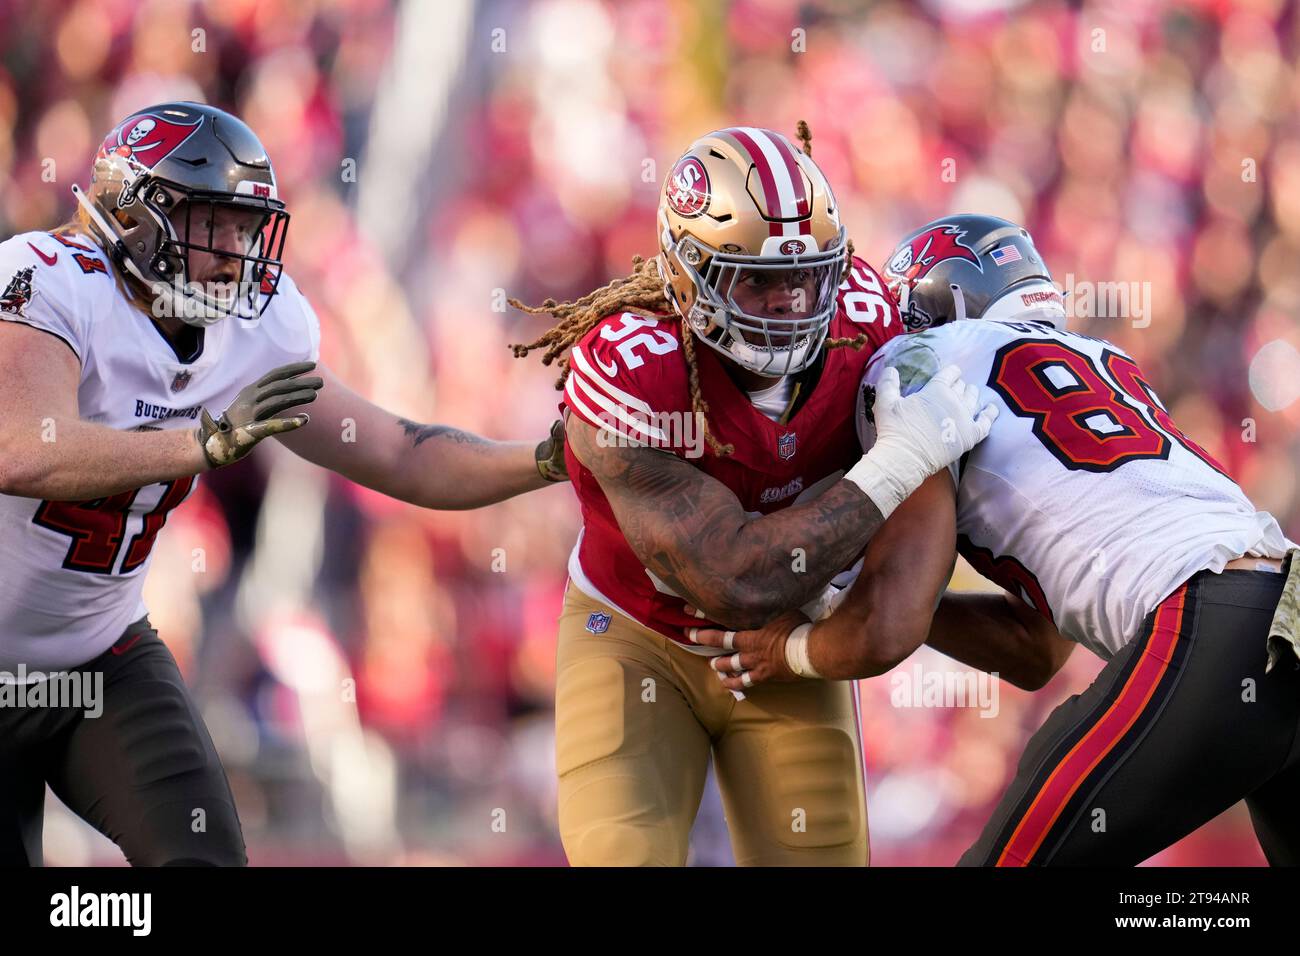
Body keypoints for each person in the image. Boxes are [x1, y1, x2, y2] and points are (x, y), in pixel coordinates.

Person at [0, 101, 567, 866]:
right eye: (217, 224)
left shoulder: (251, 329)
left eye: (246, 227)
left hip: (97, 658)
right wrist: (198, 445)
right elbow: (21, 449)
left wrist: (546, 458)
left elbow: (401, 454)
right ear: (139, 216)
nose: (239, 252)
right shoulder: (49, 282)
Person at [694, 213, 1300, 866]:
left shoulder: (916, 363)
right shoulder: (1105, 361)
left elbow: (887, 628)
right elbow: (1033, 647)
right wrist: (878, 606)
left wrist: (789, 650)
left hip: (1213, 628)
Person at [512, 125, 998, 865]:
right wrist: (897, 463)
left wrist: (825, 626)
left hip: (788, 642)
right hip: (636, 638)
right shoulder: (631, 364)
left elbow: (898, 591)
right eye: (757, 279)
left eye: (806, 275)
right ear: (686, 275)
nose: (790, 301)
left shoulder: (869, 326)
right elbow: (734, 579)